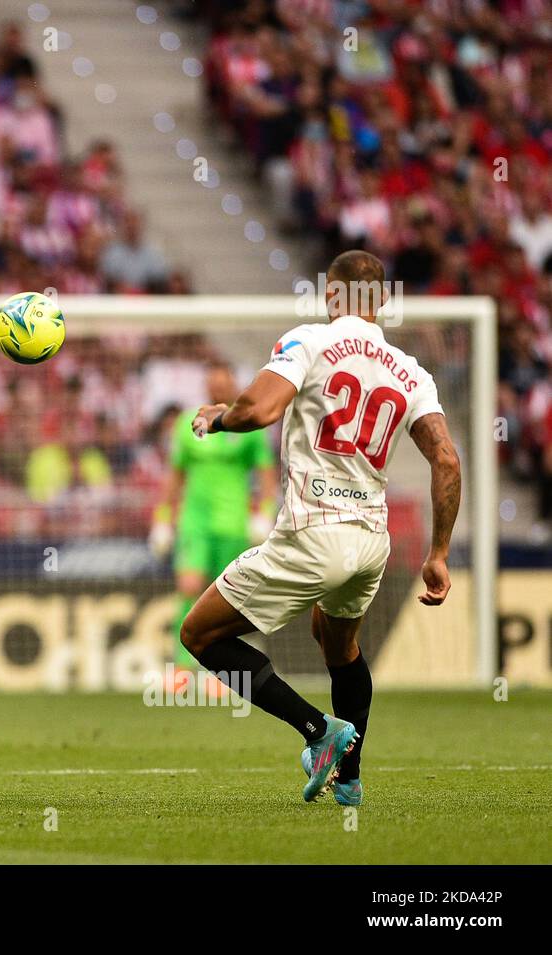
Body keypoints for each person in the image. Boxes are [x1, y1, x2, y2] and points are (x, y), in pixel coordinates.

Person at [178, 251, 461, 804]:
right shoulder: (412, 372)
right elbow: (447, 460)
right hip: (371, 542)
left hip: (314, 532)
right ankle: (349, 778)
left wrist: (219, 415)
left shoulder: (308, 341)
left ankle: (318, 730)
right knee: (338, 644)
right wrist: (439, 553)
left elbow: (259, 411)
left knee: (200, 634)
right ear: (380, 301)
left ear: (332, 296)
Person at [149, 361, 277, 677]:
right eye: (213, 384)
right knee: (189, 585)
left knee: (228, 601)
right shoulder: (187, 423)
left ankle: (222, 671)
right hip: (195, 521)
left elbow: (266, 475)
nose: (218, 388)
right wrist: (163, 518)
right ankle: (182, 668)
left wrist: (264, 513)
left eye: (224, 384)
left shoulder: (248, 424)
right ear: (206, 386)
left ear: (234, 385)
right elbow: (175, 475)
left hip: (233, 522)